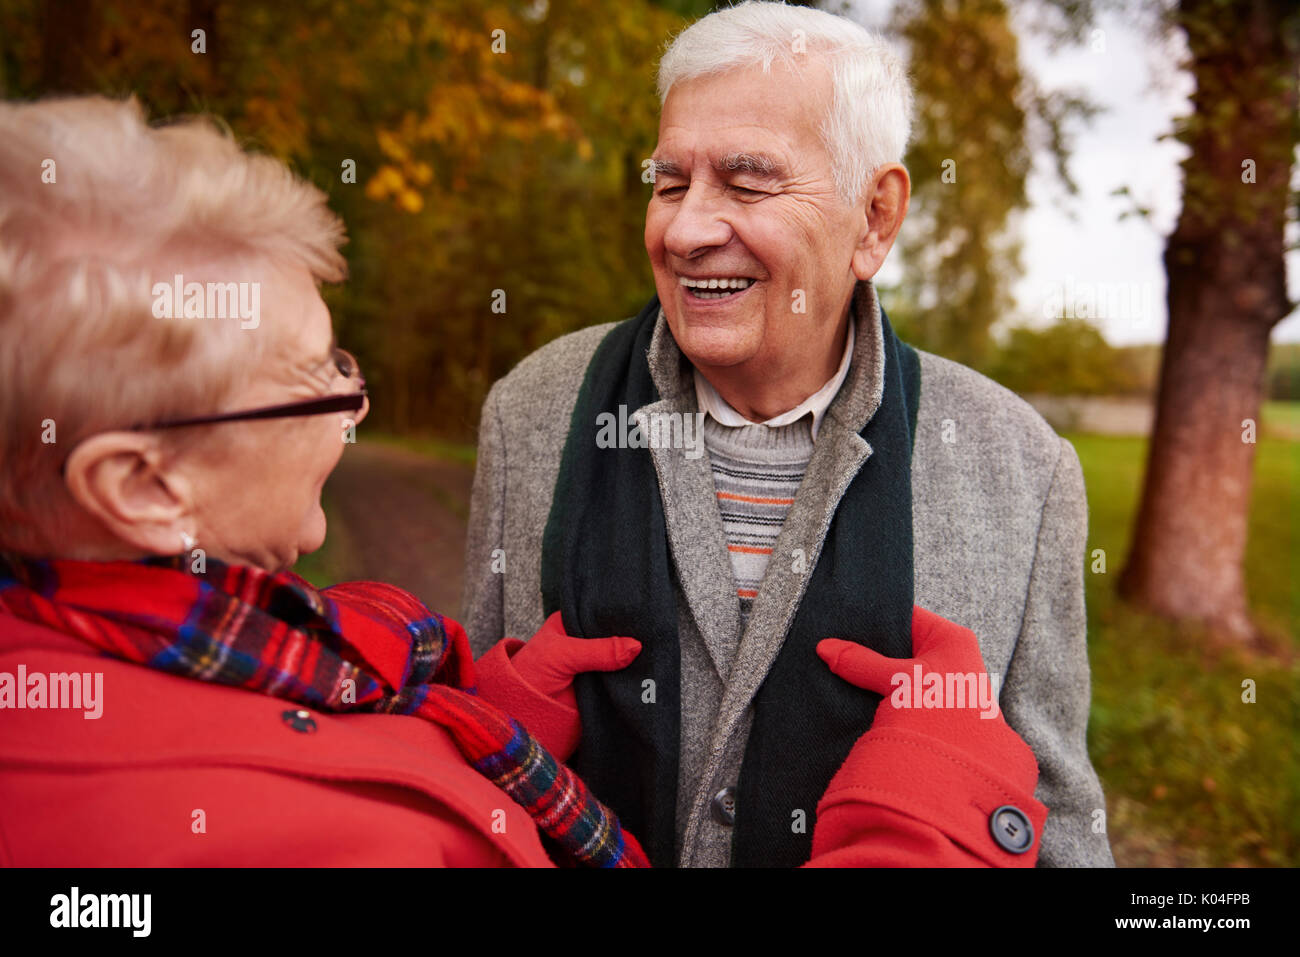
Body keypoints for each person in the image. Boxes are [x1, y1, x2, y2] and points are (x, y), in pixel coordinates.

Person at [0, 93, 1047, 867]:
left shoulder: (254, 648)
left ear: (874, 218)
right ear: (142, 486)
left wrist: (471, 723)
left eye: (749, 180)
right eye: (315, 380)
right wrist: (929, 804)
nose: (353, 404)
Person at [462, 1, 1114, 868]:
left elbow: (1061, 824)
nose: (686, 229)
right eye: (668, 183)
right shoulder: (531, 411)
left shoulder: (1024, 469)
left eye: (747, 182)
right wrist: (488, 736)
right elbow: (454, 771)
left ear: (875, 217)